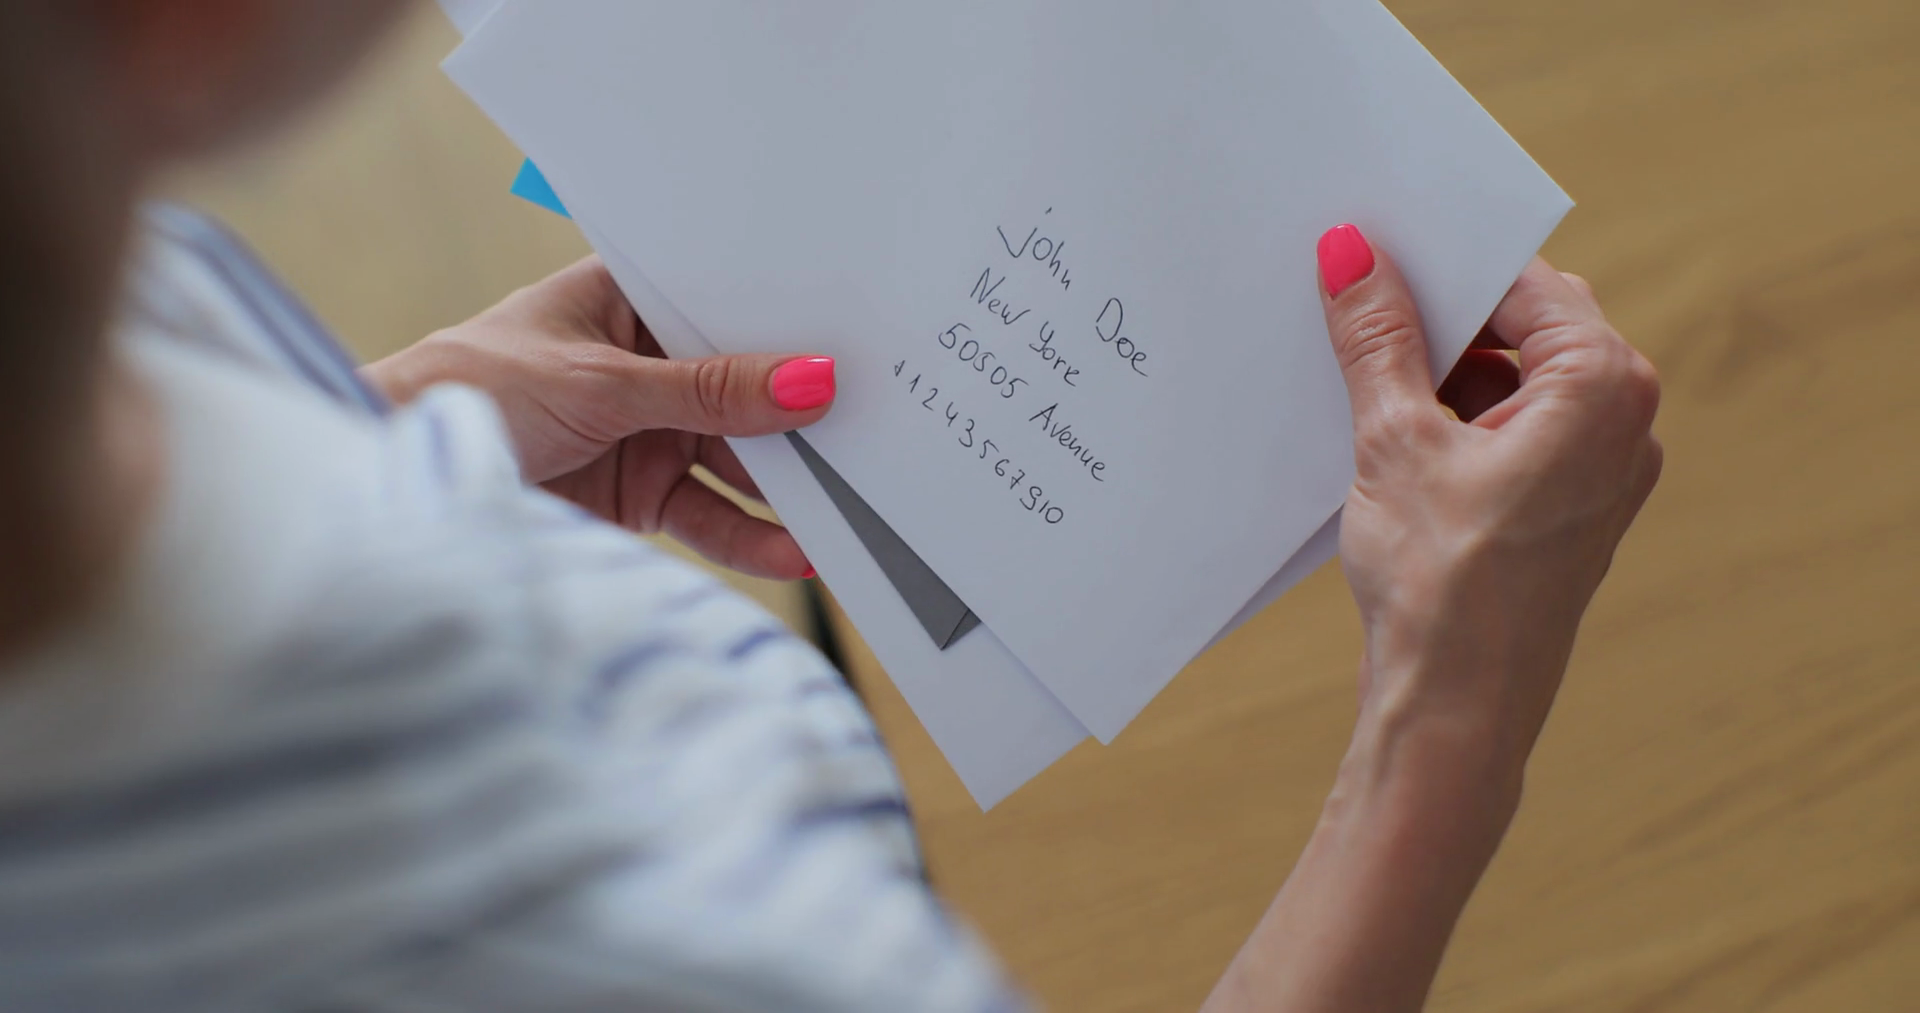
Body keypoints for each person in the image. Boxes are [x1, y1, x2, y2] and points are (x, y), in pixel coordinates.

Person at [0, 2, 1661, 1011]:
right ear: (187, 35)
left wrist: (384, 440)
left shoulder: (75, 231)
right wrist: (1446, 725)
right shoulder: (630, 944)